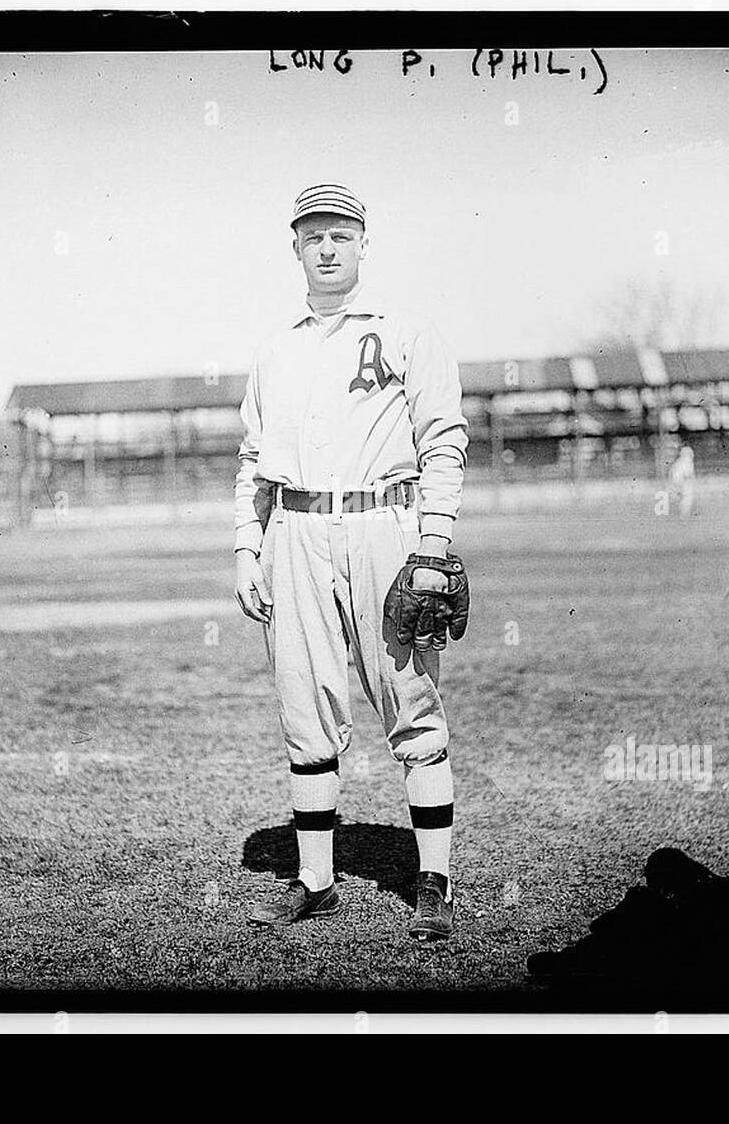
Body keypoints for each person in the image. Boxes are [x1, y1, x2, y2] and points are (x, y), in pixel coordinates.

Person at [233, 183, 470, 941]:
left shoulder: (407, 334)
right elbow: (251, 460)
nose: (327, 247)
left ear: (363, 244)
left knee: (410, 701)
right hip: (295, 531)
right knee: (305, 707)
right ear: (295, 248)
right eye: (313, 236)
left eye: (340, 234)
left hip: (384, 524)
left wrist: (433, 541)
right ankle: (314, 882)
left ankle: (432, 878)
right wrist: (246, 546)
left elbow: (444, 440)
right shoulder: (276, 349)